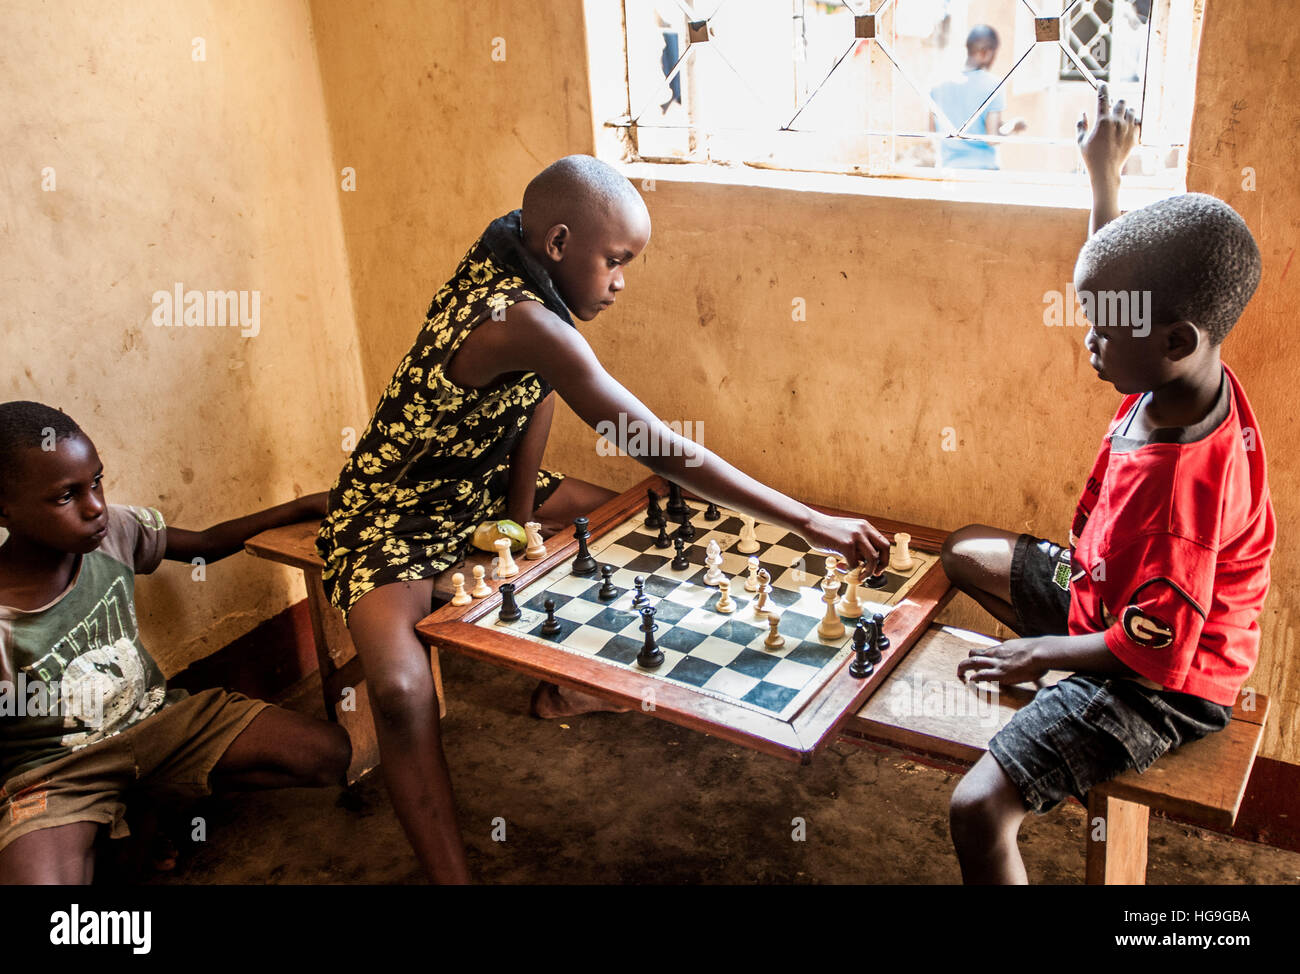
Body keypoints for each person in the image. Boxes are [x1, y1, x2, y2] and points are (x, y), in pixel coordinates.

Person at [316, 154, 892, 883]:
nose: (621, 282)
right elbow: (655, 443)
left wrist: (518, 525)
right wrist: (811, 521)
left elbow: (537, 397)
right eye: (615, 261)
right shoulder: (520, 316)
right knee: (401, 693)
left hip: (481, 488)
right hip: (394, 513)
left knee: (657, 519)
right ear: (558, 244)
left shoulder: (514, 248)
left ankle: (588, 683)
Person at [940, 86, 1273, 884]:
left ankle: (1066, 702)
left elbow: (1154, 654)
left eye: (1102, 329)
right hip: (1112, 592)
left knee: (975, 809)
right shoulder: (1174, 369)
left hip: (1163, 681)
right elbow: (1120, 283)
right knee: (962, 553)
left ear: (1174, 340)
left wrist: (1044, 653)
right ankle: (1059, 676)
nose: (1088, 342)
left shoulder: (1183, 491)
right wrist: (1102, 178)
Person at [0, 400, 351, 884]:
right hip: (62, 772)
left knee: (331, 753)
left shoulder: (114, 531)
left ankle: (150, 798)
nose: (95, 506)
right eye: (66, 496)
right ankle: (116, 816)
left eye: (97, 482)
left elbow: (205, 545)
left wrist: (304, 505)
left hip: (162, 723)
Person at [929, 25, 1026, 170]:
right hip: (982, 172)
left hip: (947, 171)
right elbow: (992, 138)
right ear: (985, 52)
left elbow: (931, 133)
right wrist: (1013, 126)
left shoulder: (937, 84)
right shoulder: (994, 85)